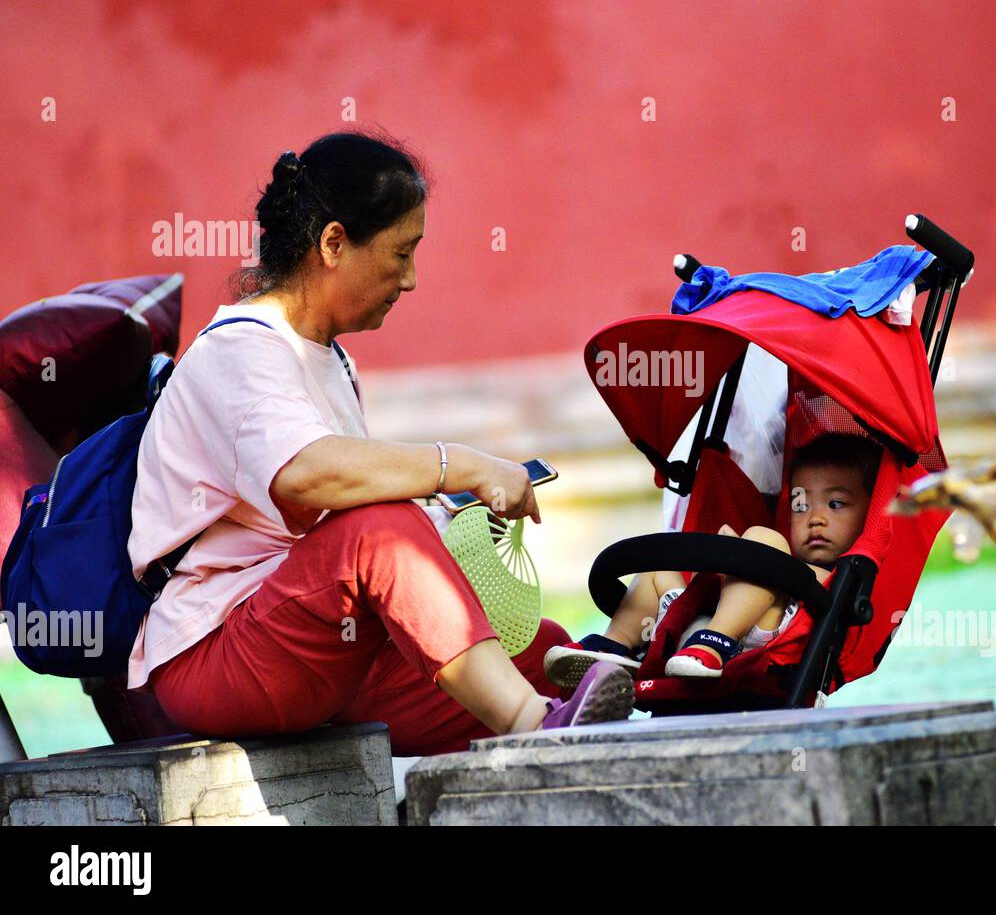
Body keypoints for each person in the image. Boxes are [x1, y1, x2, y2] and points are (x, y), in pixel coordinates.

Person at [128, 132, 633, 757]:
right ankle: (535, 724)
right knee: (382, 529)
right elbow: (306, 477)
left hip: (318, 643)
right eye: (401, 252)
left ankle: (604, 695)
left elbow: (336, 511)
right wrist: (460, 465)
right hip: (219, 654)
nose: (412, 279)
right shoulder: (239, 348)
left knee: (537, 648)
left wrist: (446, 518)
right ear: (334, 243)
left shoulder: (332, 361)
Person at [545, 432, 880, 684]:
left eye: (835, 504)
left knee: (766, 543)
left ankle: (714, 643)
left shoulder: (841, 577)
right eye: (801, 505)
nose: (815, 518)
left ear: (869, 516)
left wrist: (751, 555)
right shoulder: (783, 551)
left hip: (758, 648)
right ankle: (616, 647)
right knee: (661, 568)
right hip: (692, 626)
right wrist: (731, 560)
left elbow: (804, 580)